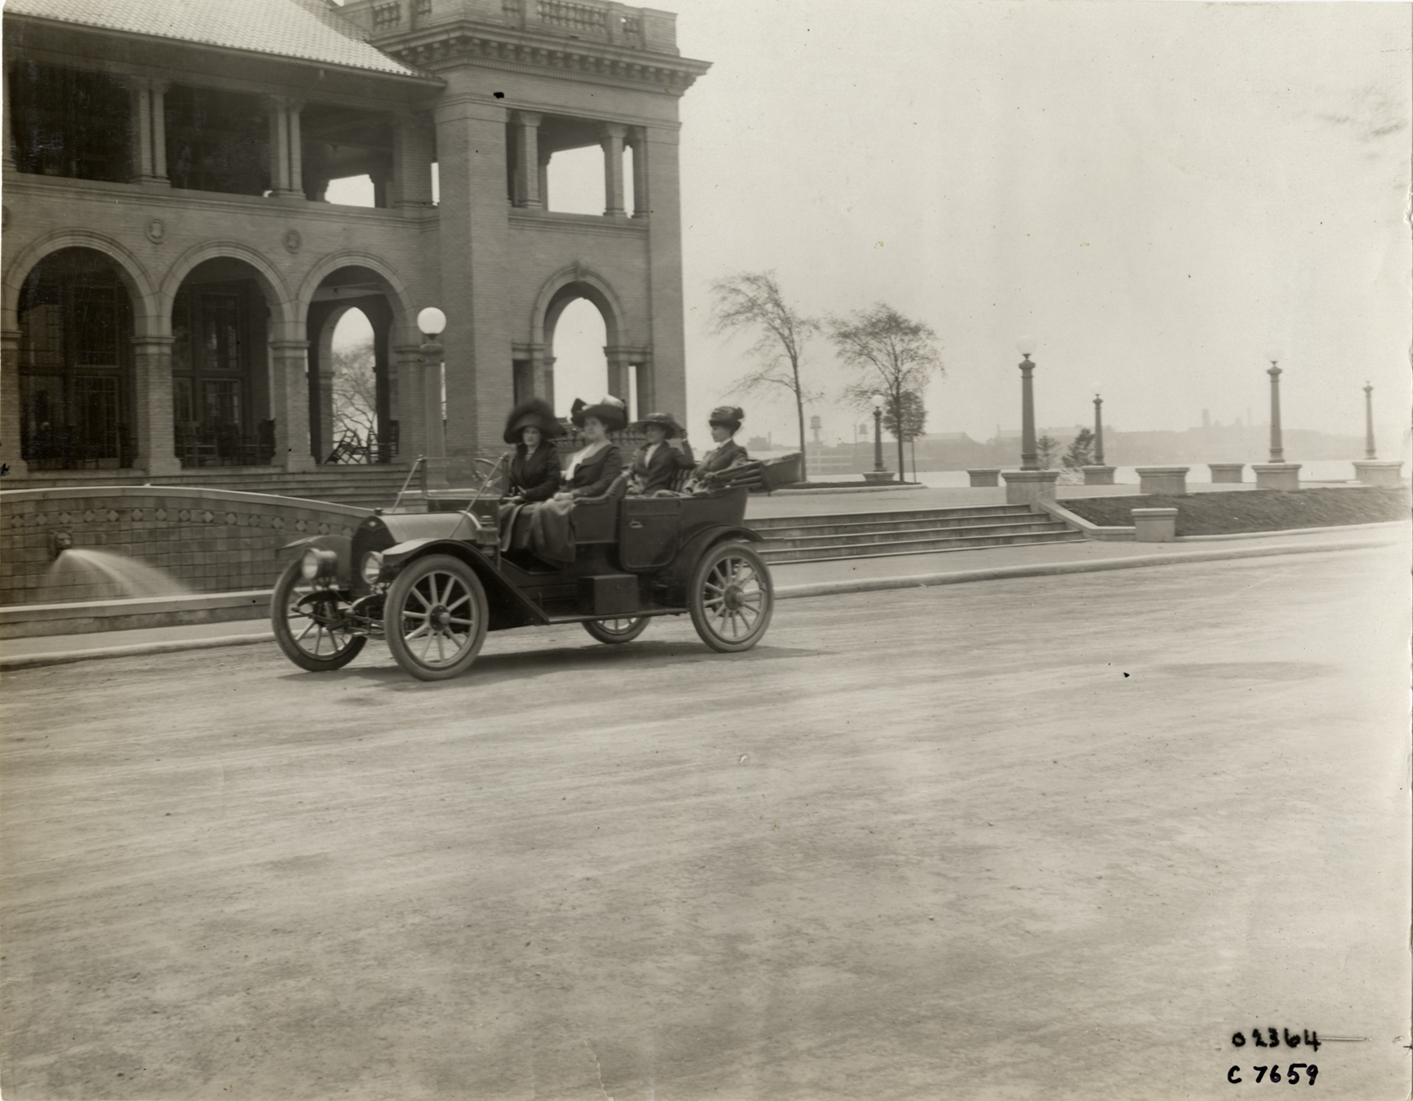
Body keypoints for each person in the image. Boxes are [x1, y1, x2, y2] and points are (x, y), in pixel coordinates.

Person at [522, 395, 627, 564]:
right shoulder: (583, 453)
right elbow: (570, 482)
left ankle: (553, 558)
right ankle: (531, 556)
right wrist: (560, 494)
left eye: (594, 423)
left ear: (605, 426)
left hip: (590, 505)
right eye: (586, 424)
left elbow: (605, 484)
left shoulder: (611, 452)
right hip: (575, 502)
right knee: (531, 509)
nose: (589, 427)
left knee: (543, 511)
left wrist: (572, 495)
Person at [498, 398, 564, 551]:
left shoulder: (550, 451)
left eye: (534, 432)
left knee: (522, 514)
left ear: (541, 434)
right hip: (522, 500)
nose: (530, 436)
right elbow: (513, 478)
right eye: (527, 431)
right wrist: (504, 491)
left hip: (542, 500)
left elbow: (553, 481)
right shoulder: (520, 452)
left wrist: (528, 494)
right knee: (499, 510)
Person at [626, 411, 695, 496]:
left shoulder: (671, 452)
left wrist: (684, 440)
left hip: (656, 495)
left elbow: (689, 463)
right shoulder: (642, 450)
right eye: (647, 430)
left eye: (653, 430)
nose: (649, 433)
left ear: (663, 432)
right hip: (634, 493)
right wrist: (630, 485)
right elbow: (629, 472)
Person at [688, 405, 750, 490]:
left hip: (720, 496)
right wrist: (689, 487)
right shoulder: (709, 453)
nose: (712, 433)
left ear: (728, 429)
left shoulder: (737, 450)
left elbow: (737, 468)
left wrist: (715, 476)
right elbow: (696, 474)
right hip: (699, 494)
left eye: (715, 429)